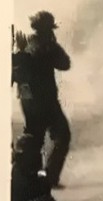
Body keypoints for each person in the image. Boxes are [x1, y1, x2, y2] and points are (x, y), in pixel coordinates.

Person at [12, 12, 72, 188]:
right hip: (45, 100)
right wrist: (52, 45)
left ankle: (30, 178)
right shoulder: (46, 46)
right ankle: (48, 177)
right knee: (62, 135)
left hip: (28, 100)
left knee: (34, 139)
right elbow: (65, 63)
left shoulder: (25, 46)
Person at [10, 134, 79, 201]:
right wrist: (42, 182)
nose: (39, 155)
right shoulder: (17, 171)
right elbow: (25, 189)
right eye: (35, 153)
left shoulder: (24, 168)